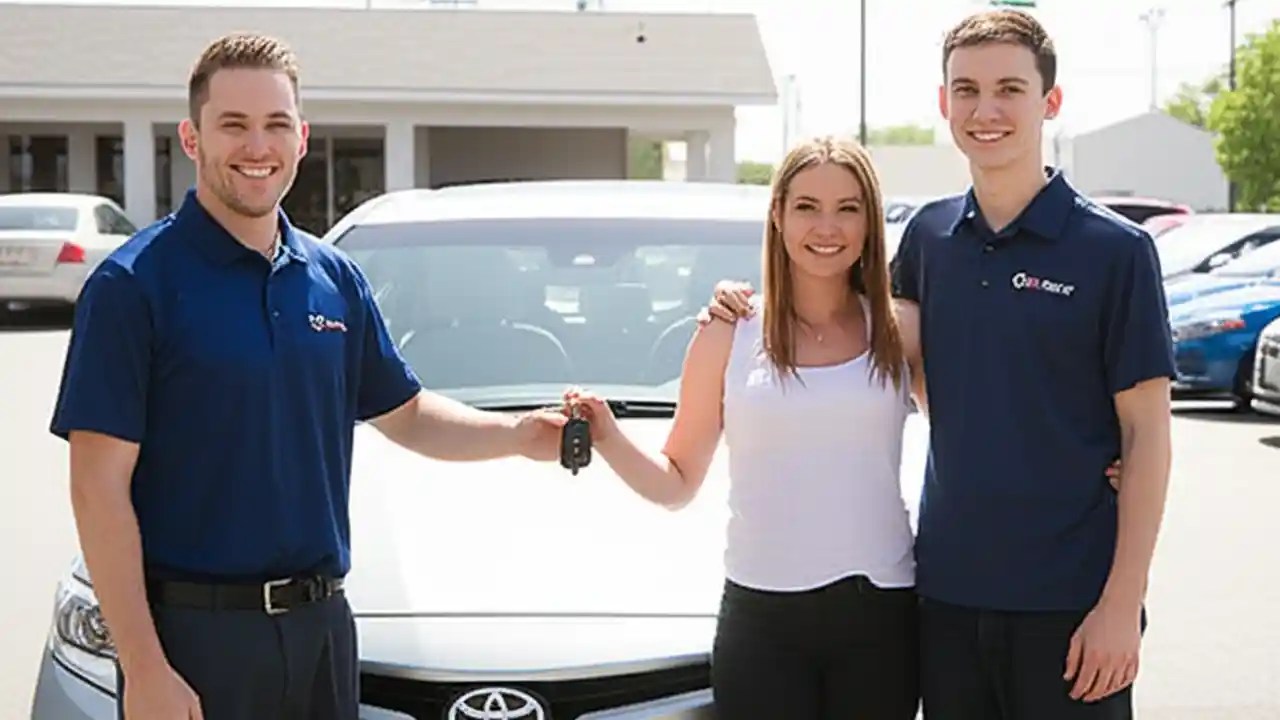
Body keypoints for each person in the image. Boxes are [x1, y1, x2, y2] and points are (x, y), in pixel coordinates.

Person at [49, 33, 568, 720]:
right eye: (232, 124)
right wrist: (144, 668)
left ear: (301, 137)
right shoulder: (133, 286)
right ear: (192, 137)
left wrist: (518, 435)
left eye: (275, 124)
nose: (256, 146)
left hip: (323, 633)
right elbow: (97, 487)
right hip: (195, 645)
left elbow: (405, 414)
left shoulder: (333, 280)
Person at [702, 9, 1173, 720]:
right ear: (943, 102)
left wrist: (1122, 602)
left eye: (1010, 89)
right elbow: (864, 343)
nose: (986, 110)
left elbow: (1146, 436)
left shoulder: (1115, 252)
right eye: (966, 90)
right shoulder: (928, 239)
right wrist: (746, 305)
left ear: (1051, 102)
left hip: (1071, 603)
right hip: (944, 599)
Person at [564, 135, 925, 719]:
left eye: (847, 208)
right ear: (778, 215)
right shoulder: (727, 331)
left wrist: (1099, 459)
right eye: (807, 206)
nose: (826, 227)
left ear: (869, 223)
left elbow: (978, 428)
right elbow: (675, 481)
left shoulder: (898, 328)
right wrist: (606, 433)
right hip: (764, 621)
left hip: (880, 614)